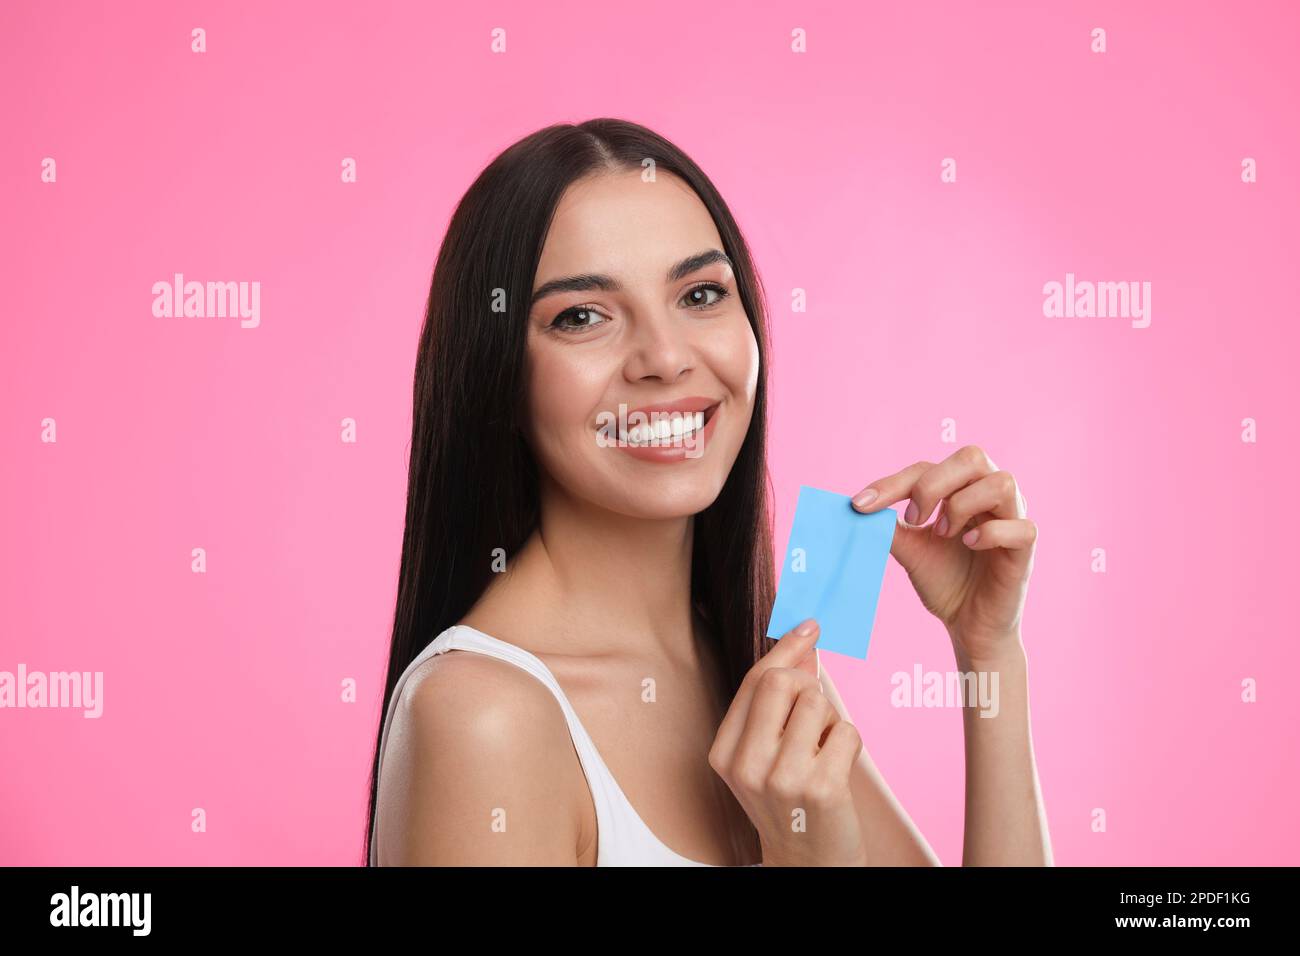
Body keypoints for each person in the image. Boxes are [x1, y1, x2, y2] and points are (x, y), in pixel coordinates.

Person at [364, 118, 1052, 866]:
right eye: (582, 316)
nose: (664, 357)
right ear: (496, 371)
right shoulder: (483, 718)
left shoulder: (759, 671)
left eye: (698, 294)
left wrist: (990, 653)